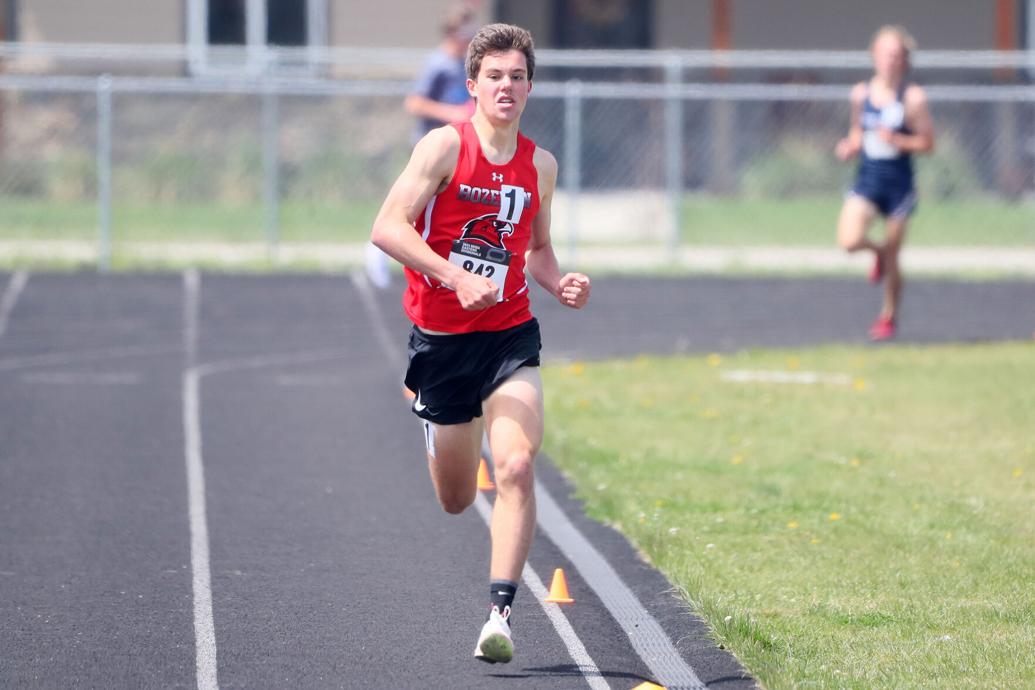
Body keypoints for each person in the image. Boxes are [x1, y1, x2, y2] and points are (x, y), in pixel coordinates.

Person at [370, 23, 590, 664]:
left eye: (517, 76)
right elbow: (387, 228)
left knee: (516, 465)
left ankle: (500, 615)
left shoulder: (540, 165)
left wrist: (559, 282)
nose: (506, 86)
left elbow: (538, 249)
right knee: (457, 498)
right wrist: (454, 276)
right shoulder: (444, 147)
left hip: (508, 337)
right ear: (472, 85)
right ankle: (436, 428)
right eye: (494, 76)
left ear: (530, 87)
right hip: (442, 344)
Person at [365, 4, 477, 289]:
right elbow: (414, 102)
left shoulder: (463, 65)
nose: (469, 38)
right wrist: (452, 113)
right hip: (431, 150)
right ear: (452, 32)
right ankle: (378, 252)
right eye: (465, 32)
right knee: (409, 209)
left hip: (455, 151)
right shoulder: (438, 64)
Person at [835, 25, 934, 341]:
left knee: (895, 255)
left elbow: (928, 143)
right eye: (885, 54)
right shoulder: (861, 94)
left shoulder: (913, 98)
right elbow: (857, 132)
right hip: (868, 180)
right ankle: (876, 252)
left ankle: (888, 317)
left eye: (896, 55)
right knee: (849, 241)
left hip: (898, 185)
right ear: (874, 56)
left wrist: (899, 140)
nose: (890, 60)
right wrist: (849, 146)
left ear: (905, 60)